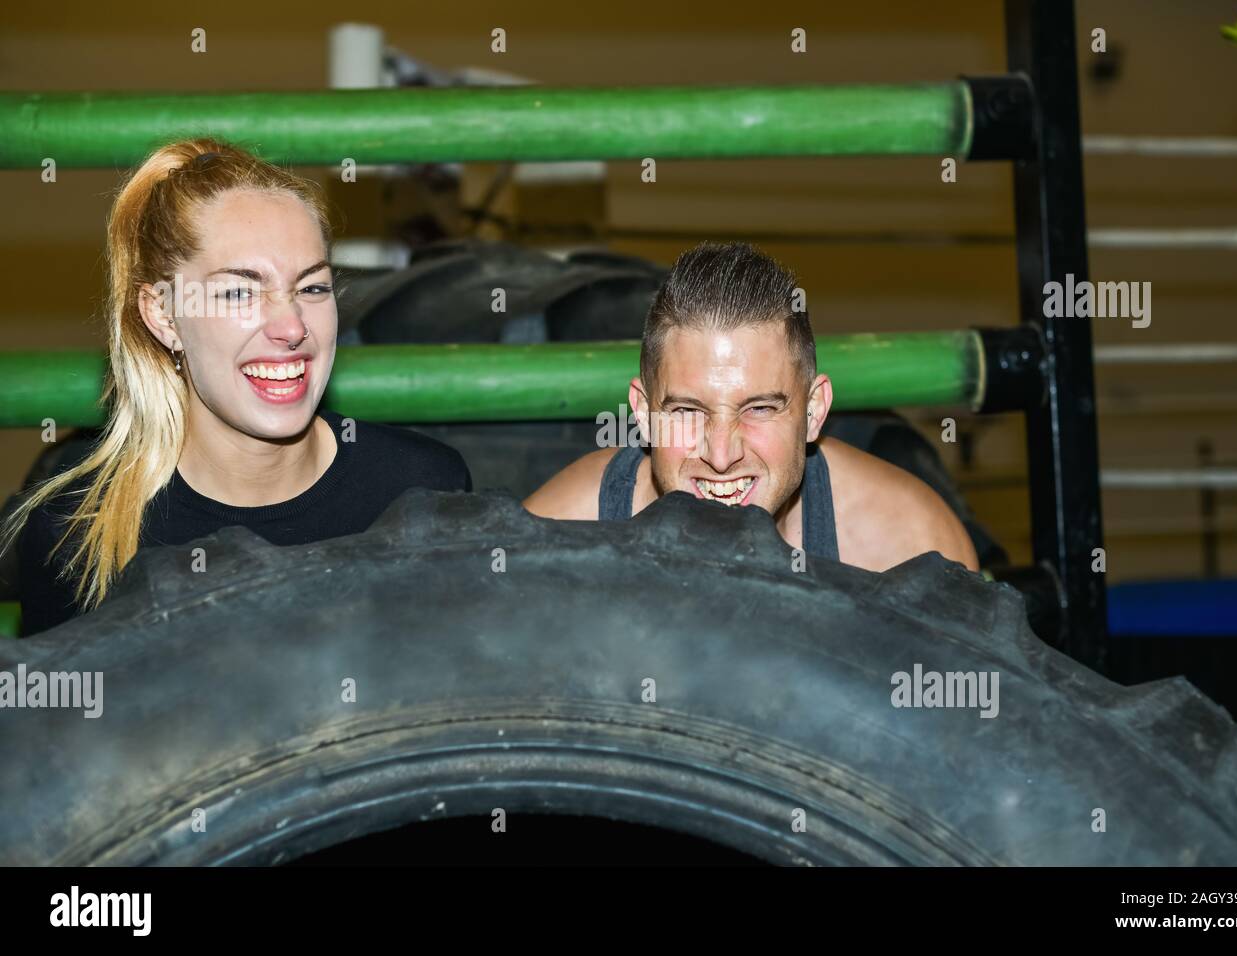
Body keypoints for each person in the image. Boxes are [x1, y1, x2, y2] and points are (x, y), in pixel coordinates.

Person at [3, 138, 470, 636]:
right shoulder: (78, 532)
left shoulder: (422, 488)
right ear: (163, 315)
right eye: (239, 291)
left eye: (312, 287)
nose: (291, 327)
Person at [525, 241, 978, 573]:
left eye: (759, 409)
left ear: (814, 410)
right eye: (687, 411)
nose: (721, 456)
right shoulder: (563, 536)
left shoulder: (906, 550)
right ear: (643, 414)